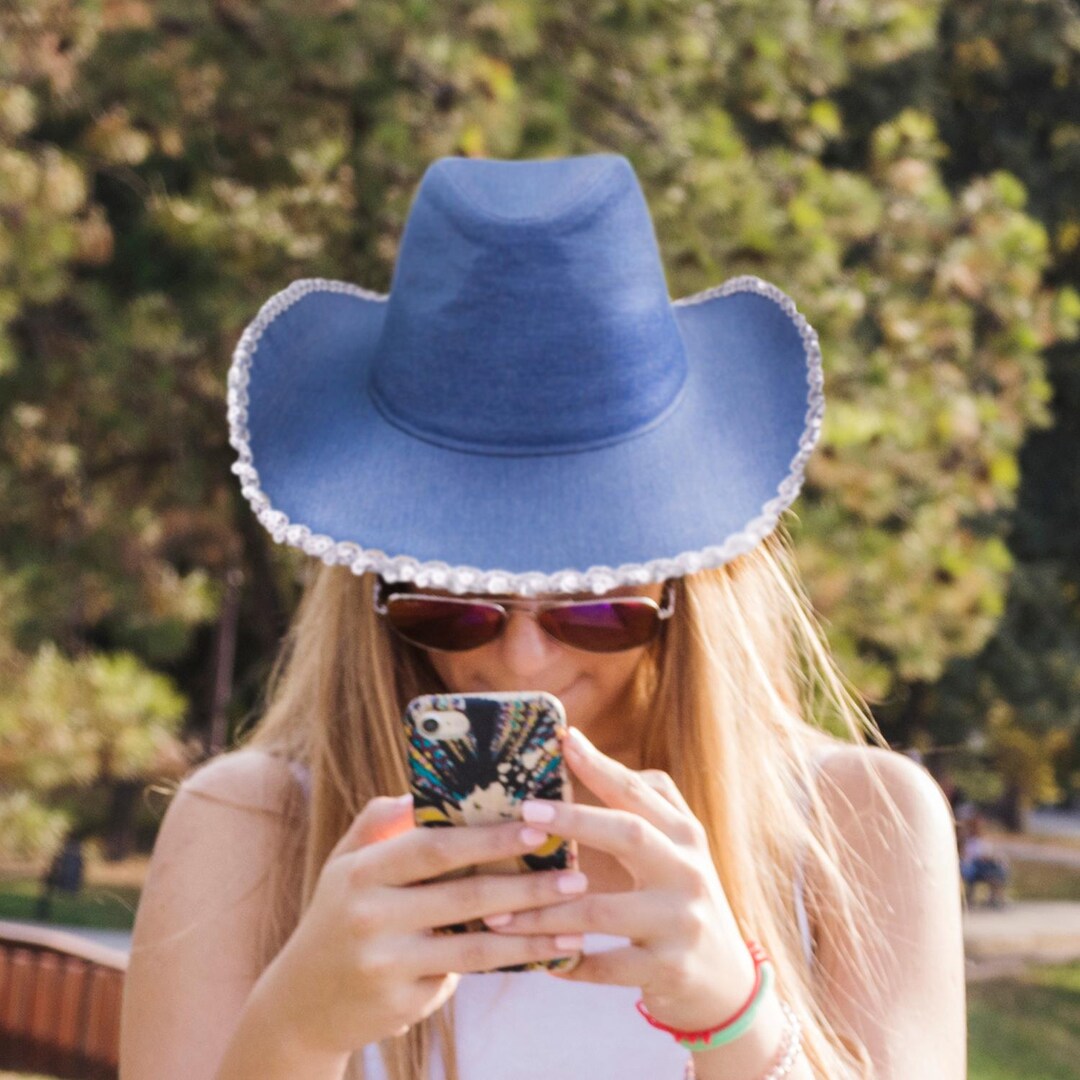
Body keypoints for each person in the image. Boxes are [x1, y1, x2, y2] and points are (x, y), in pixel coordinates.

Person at [119, 154, 966, 1080]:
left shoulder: (859, 826)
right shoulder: (249, 826)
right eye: (451, 609)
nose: (521, 660)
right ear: (374, 593)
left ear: (689, 595)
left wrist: (735, 1018)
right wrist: (294, 1030)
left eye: (598, 611)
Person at [959, 812, 1009, 909]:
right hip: (973, 867)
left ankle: (995, 898)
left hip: (984, 867)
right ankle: (994, 898)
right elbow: (966, 857)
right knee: (981, 869)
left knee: (997, 868)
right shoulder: (967, 841)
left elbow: (990, 854)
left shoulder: (984, 841)